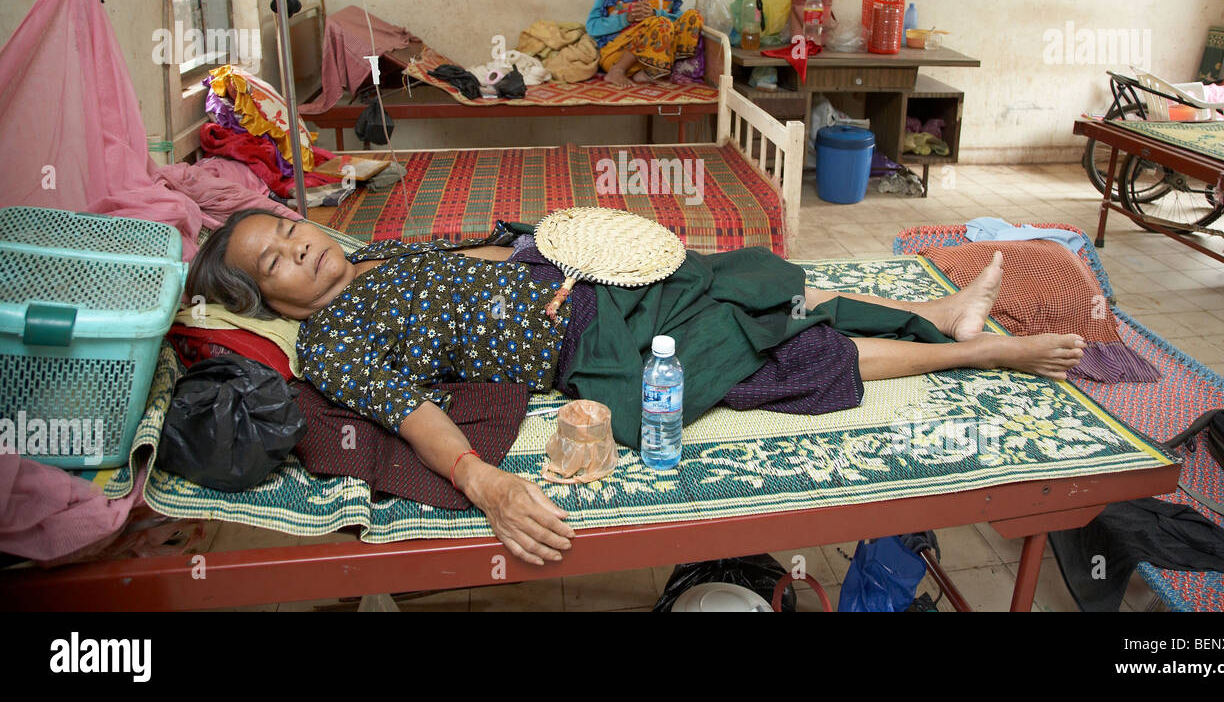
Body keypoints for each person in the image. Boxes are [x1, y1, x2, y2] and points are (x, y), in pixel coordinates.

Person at [185, 210, 1085, 566]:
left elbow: (481, 257)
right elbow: (411, 413)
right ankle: (978, 354)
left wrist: (553, 246)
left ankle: (934, 308)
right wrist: (483, 480)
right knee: (771, 361)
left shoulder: (377, 251)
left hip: (581, 275)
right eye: (275, 261)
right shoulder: (333, 344)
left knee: (751, 274)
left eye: (293, 229)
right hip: (584, 340)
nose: (299, 247)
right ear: (266, 299)